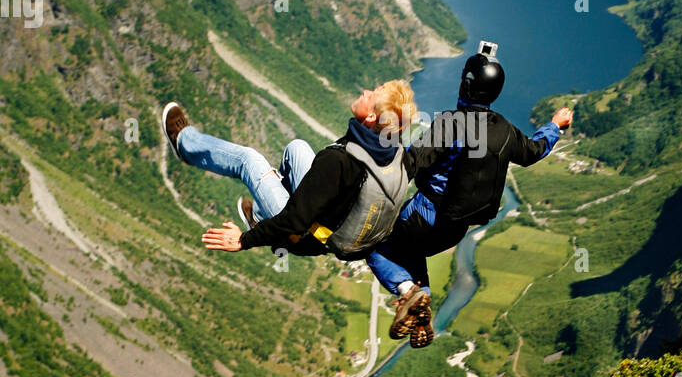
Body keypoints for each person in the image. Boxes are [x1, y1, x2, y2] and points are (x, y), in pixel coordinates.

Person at [367, 42, 573, 348]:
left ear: (465, 84)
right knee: (414, 251)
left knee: (374, 245)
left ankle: (409, 293)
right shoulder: (503, 129)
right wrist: (555, 126)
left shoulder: (451, 122)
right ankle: (421, 307)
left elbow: (408, 164)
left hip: (425, 214)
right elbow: (533, 151)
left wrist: (365, 175)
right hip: (456, 229)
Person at [161, 81, 418, 260]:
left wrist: (245, 240)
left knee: (248, 160)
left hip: (305, 235)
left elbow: (295, 219)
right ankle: (262, 214)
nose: (365, 91)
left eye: (372, 94)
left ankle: (185, 144)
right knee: (297, 148)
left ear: (372, 118)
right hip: (332, 227)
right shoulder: (392, 151)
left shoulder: (338, 162)